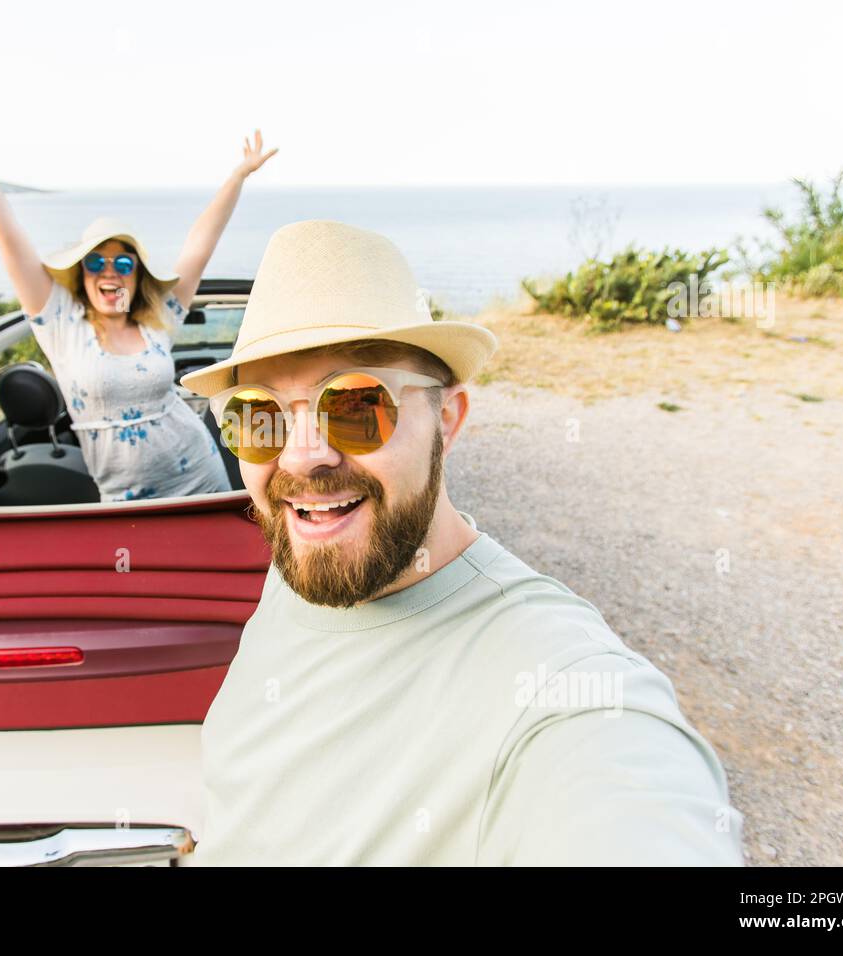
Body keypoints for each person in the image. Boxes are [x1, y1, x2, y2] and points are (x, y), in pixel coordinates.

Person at [177, 220, 746, 865]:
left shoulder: (563, 691)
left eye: (357, 406)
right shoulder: (308, 556)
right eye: (260, 416)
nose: (303, 458)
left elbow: (630, 805)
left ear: (447, 419)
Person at [0, 67, 277, 501]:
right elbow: (5, 228)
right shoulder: (61, 325)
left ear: (136, 275)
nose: (110, 271)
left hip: (202, 478)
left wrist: (237, 176)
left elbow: (201, 244)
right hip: (126, 499)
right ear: (82, 274)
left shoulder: (155, 321)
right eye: (96, 261)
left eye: (124, 262)